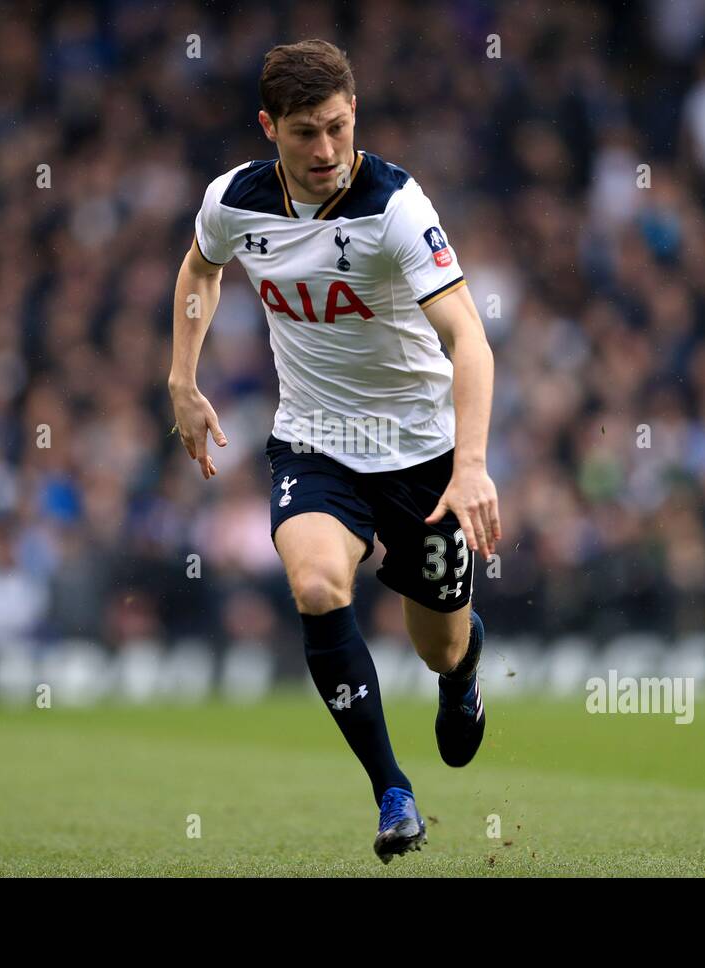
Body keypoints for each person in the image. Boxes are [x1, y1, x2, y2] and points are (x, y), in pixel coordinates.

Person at [168, 39, 500, 863]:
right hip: (315, 443)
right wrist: (181, 377)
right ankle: (393, 794)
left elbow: (468, 336)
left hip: (421, 455)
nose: (326, 151)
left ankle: (461, 679)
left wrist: (472, 464)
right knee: (316, 585)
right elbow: (200, 271)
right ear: (268, 127)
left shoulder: (394, 204)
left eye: (339, 128)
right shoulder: (233, 200)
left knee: (441, 645)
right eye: (306, 133)